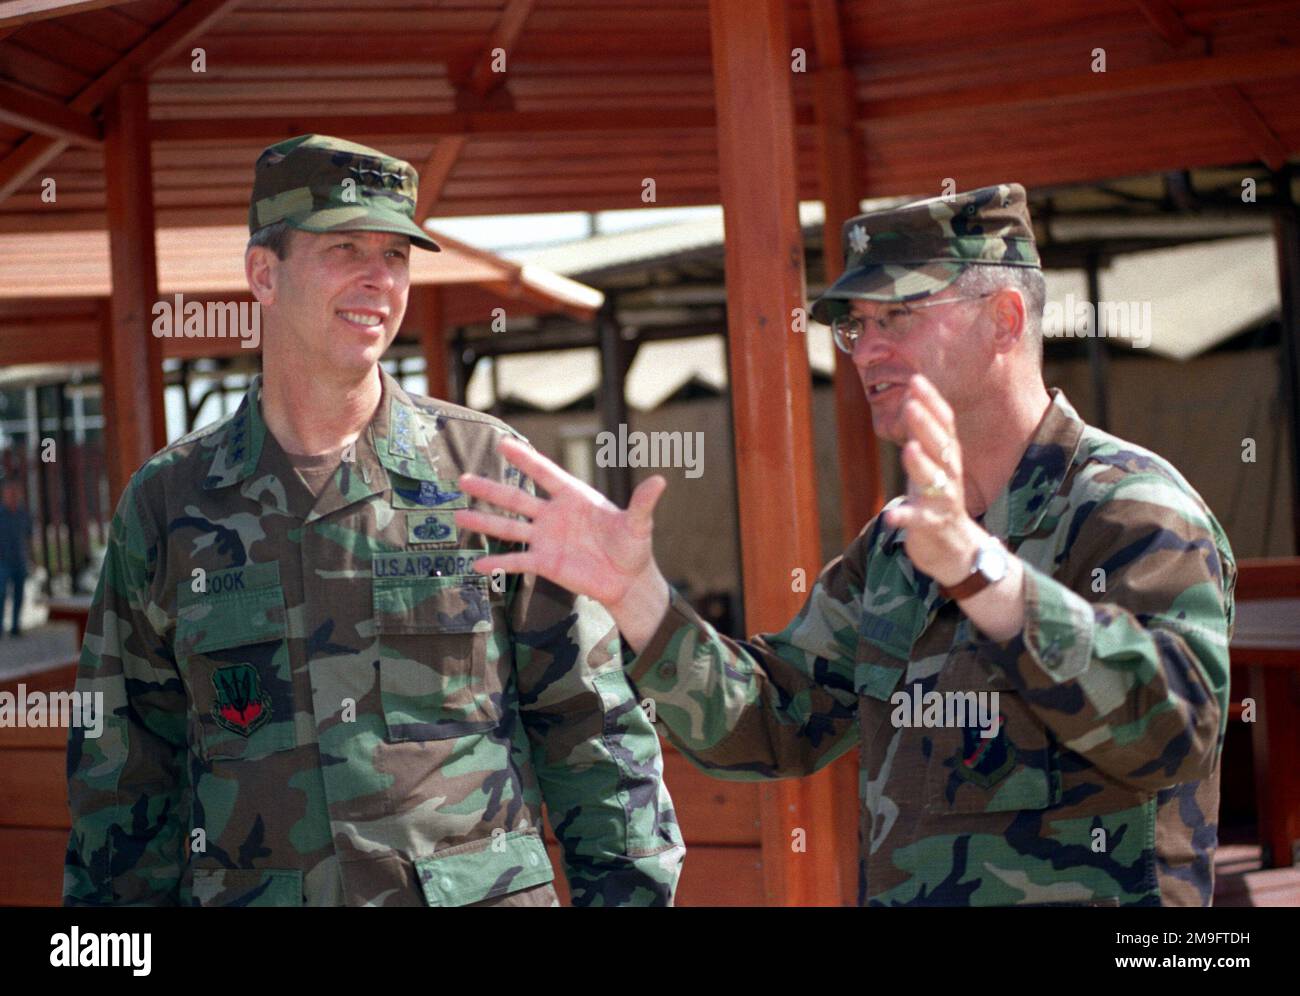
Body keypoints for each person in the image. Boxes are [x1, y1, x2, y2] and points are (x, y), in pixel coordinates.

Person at [457, 183, 1237, 907]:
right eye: (855, 325)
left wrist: (988, 579)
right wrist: (639, 598)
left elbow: (1174, 736)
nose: (863, 350)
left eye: (897, 316)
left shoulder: (1131, 509)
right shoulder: (895, 548)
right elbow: (771, 724)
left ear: (1003, 318)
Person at [64, 134, 684, 907]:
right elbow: (123, 776)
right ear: (264, 273)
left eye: (396, 255)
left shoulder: (488, 473)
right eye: (345, 247)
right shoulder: (170, 502)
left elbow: (591, 730)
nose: (377, 279)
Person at [0, 479, 32, 637]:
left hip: (20, 560)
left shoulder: (23, 514)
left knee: (19, 595)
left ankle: (15, 626)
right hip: (2, 562)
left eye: (15, 493)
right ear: (4, 495)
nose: (12, 496)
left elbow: (28, 536)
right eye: (9, 493)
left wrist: (30, 558)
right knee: (1, 594)